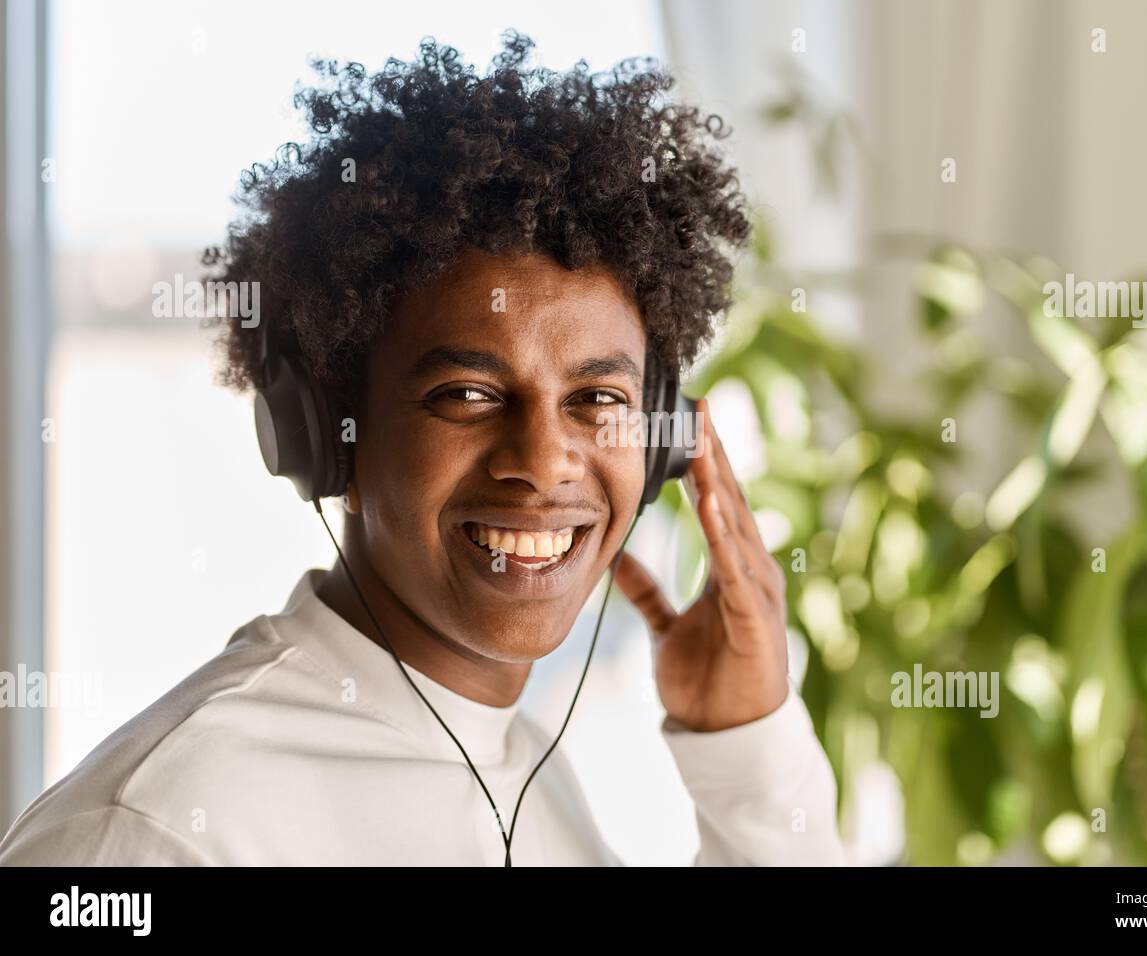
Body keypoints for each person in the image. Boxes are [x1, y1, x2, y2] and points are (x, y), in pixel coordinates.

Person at [0, 32, 845, 866]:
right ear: (325, 437)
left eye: (598, 400)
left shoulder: (525, 771)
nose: (545, 461)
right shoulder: (154, 834)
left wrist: (746, 748)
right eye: (468, 395)